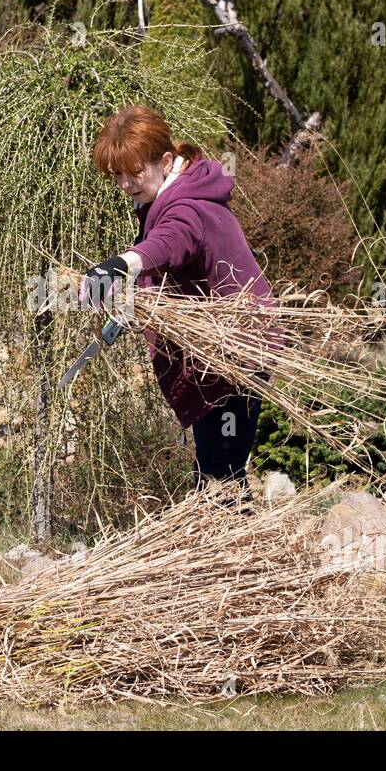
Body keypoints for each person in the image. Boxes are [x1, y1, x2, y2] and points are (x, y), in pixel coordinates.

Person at [83, 105, 274, 500]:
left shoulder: (186, 204)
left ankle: (232, 538)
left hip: (234, 354)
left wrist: (122, 264)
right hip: (217, 355)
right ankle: (227, 534)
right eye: (117, 174)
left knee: (219, 477)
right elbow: (174, 271)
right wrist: (131, 306)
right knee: (217, 474)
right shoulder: (171, 195)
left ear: (166, 161)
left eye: (135, 171)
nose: (126, 184)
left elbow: (171, 242)